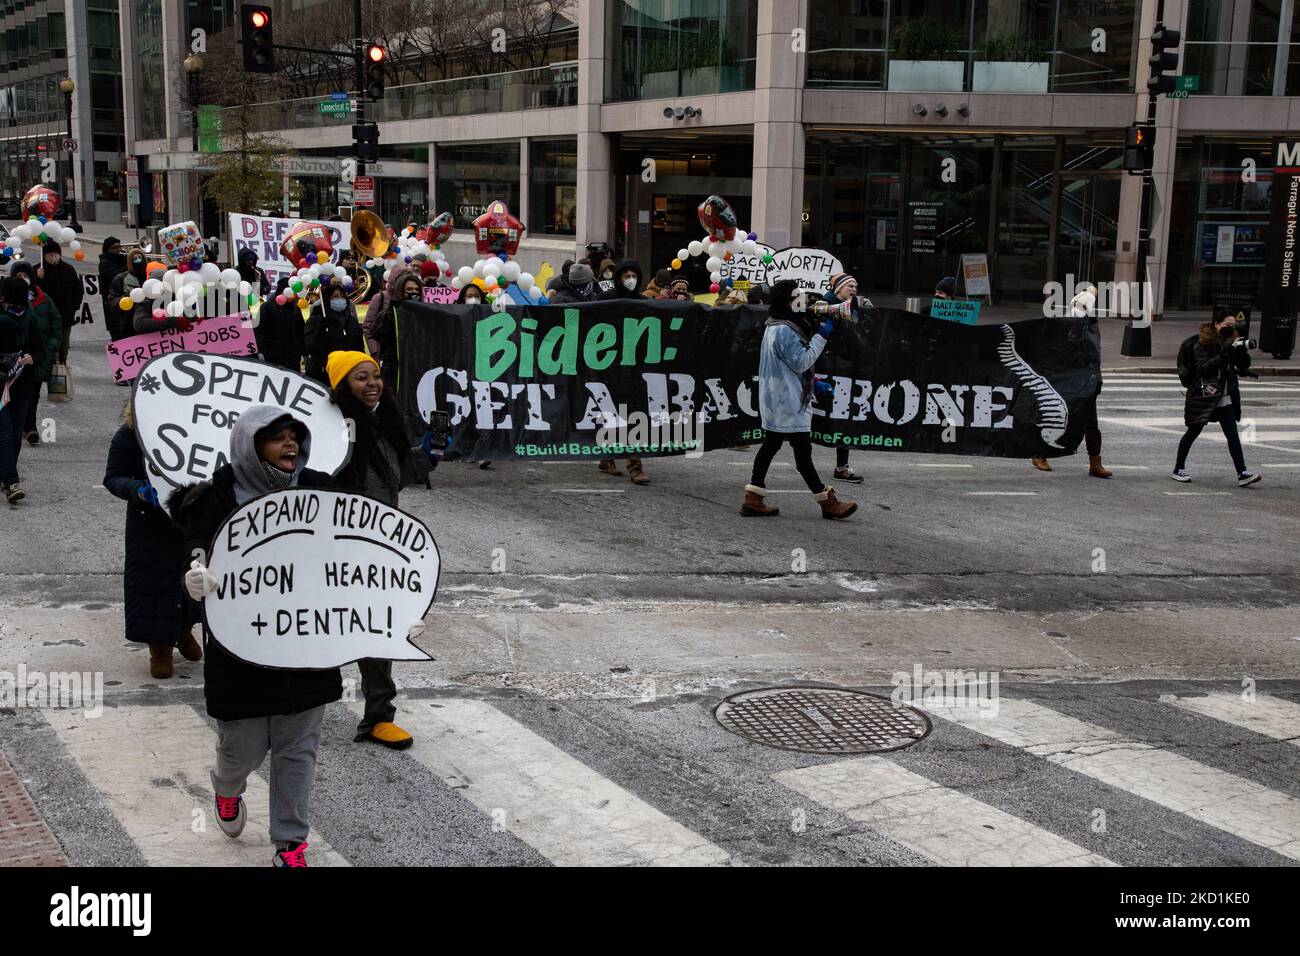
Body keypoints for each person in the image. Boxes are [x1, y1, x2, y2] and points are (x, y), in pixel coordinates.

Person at [171, 406, 341, 867]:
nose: (290, 445)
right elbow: (196, 545)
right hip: (240, 651)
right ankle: (227, 788)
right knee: (240, 750)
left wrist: (386, 615)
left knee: (297, 752)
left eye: (294, 437)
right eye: (276, 438)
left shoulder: (321, 490)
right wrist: (196, 573)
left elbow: (353, 548)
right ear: (249, 445)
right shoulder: (215, 499)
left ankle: (291, 844)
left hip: (306, 647)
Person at [326, 351, 435, 750]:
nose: (372, 384)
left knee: (378, 626)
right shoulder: (328, 426)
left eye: (376, 376)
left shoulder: (387, 420)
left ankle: (378, 717)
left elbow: (397, 479)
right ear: (342, 385)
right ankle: (295, 710)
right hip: (335, 547)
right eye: (360, 378)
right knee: (326, 627)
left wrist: (430, 454)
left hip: (382, 548)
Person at [741, 279, 856, 520]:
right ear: (787, 301)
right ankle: (827, 501)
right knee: (802, 454)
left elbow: (787, 367)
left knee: (771, 445)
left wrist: (813, 384)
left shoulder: (776, 324)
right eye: (797, 297)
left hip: (779, 399)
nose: (802, 301)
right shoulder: (784, 329)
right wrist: (822, 335)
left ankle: (753, 498)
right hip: (788, 402)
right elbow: (802, 361)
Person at [103, 401, 202, 679]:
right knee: (151, 583)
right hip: (149, 523)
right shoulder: (131, 434)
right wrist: (139, 491)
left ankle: (183, 630)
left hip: (189, 519)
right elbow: (114, 477)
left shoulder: (201, 429)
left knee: (192, 579)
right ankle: (159, 649)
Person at [1171, 310, 1261, 487]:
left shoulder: (1231, 341)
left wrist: (1241, 354)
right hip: (1206, 395)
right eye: (1228, 325)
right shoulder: (1202, 343)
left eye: (1234, 325)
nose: (1231, 328)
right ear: (1217, 324)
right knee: (1193, 432)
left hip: (1224, 396)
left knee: (1233, 436)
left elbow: (1239, 365)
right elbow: (1202, 368)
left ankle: (1242, 473)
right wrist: (1222, 355)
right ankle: (1178, 468)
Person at [1031, 284, 1111, 477]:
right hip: (1071, 382)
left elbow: (1094, 357)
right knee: (1063, 421)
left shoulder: (1089, 325)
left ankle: (1095, 461)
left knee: (1091, 424)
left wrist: (1095, 381)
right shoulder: (1070, 325)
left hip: (1087, 382)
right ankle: (1040, 453)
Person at [0, 276, 45, 503]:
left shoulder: (31, 320)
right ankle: (11, 481)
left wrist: (31, 358)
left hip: (22, 384)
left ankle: (6, 474)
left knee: (16, 434)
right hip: (1, 386)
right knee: (5, 433)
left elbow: (40, 350)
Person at [821, 273, 867, 484]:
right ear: (838, 288)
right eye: (850, 285)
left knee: (843, 415)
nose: (854, 289)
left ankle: (842, 466)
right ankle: (802, 459)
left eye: (856, 285)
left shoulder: (855, 306)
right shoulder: (824, 304)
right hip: (824, 367)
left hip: (845, 369)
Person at [10, 263, 61, 448]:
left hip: (38, 357)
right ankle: (20, 426)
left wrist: (52, 347)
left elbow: (56, 325)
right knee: (16, 394)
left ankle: (30, 428)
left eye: (25, 275)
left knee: (33, 394)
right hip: (14, 358)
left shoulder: (43, 299)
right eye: (18, 275)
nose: (22, 278)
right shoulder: (7, 301)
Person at [304, 280, 364, 385]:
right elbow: (310, 347)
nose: (339, 299)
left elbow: (360, 348)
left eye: (342, 296)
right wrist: (321, 327)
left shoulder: (352, 321)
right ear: (327, 299)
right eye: (335, 296)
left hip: (349, 373)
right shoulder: (315, 320)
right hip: (325, 375)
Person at [35, 239, 82, 365]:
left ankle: (61, 371)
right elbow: (30, 291)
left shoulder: (68, 269)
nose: (53, 256)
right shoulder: (37, 269)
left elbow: (78, 290)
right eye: (49, 254)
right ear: (44, 256)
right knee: (44, 347)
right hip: (44, 318)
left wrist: (73, 307)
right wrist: (37, 278)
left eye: (55, 253)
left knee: (62, 348)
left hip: (65, 317)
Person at [254, 277, 304, 373]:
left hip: (292, 360)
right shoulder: (267, 306)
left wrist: (301, 352)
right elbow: (259, 331)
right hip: (271, 358)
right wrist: (259, 352)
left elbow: (300, 333)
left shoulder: (296, 310)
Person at [108, 247, 149, 341]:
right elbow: (111, 301)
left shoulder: (151, 276)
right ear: (130, 262)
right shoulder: (121, 279)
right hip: (128, 324)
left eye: (140, 257)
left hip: (148, 323)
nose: (138, 260)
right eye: (134, 259)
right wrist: (125, 300)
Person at [98, 236, 127, 326]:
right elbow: (116, 276)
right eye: (115, 247)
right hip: (112, 301)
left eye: (119, 246)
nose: (119, 250)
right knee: (116, 328)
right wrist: (128, 265)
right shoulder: (104, 263)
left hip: (124, 298)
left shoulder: (122, 259)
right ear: (107, 250)